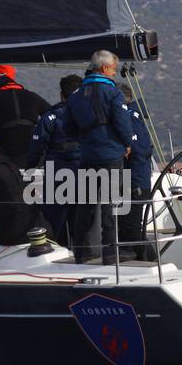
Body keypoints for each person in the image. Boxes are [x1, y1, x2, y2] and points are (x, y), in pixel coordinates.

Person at [62, 50, 135, 264]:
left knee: (85, 204)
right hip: (110, 155)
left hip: (87, 156)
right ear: (104, 68)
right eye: (113, 68)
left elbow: (67, 128)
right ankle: (110, 252)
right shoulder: (113, 94)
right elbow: (122, 123)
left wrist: (86, 140)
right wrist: (127, 143)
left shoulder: (75, 96)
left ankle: (81, 251)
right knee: (110, 204)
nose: (114, 73)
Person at [26, 74, 84, 248]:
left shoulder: (51, 117)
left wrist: (29, 169)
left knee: (53, 220)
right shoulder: (92, 116)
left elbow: (36, 148)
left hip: (57, 174)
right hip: (88, 171)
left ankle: (60, 252)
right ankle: (84, 253)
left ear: (61, 94)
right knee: (83, 220)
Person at [0, 64, 50, 167]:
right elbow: (54, 117)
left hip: (4, 158)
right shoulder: (33, 96)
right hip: (33, 156)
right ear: (12, 79)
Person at [118, 82, 155, 260]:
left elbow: (139, 150)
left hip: (134, 182)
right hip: (136, 180)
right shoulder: (133, 115)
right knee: (127, 227)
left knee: (130, 228)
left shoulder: (129, 118)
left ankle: (149, 262)